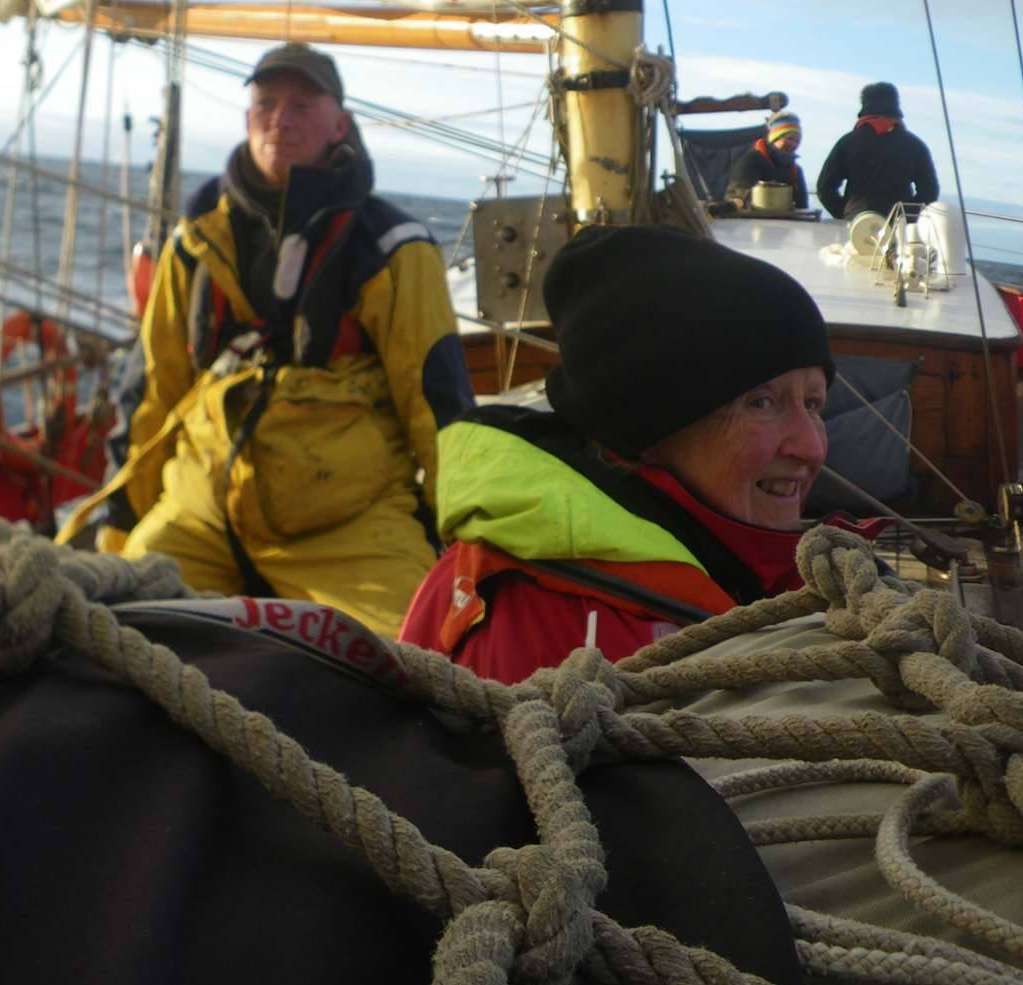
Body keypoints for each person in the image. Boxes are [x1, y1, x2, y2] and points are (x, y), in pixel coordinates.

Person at [68, 42, 475, 637]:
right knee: (105, 629)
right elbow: (157, 388)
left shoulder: (393, 248)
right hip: (198, 508)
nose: (281, 118)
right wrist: (121, 525)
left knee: (421, 656)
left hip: (343, 525)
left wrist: (461, 545)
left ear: (341, 123)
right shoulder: (196, 240)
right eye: (266, 102)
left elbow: (436, 407)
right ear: (247, 118)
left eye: (302, 104)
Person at [400, 224, 834, 683]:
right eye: (761, 403)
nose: (810, 447)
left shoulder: (760, 568)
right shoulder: (551, 626)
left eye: (813, 403)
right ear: (649, 427)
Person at [815, 81, 939, 221]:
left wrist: (845, 213)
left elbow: (824, 188)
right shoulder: (915, 145)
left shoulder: (847, 142)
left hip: (856, 224)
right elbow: (930, 191)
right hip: (898, 227)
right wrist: (907, 217)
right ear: (896, 106)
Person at [725, 108, 808, 209]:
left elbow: (802, 206)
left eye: (797, 141)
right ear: (775, 138)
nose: (793, 144)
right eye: (789, 139)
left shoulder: (795, 171)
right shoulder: (751, 160)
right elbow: (739, 196)